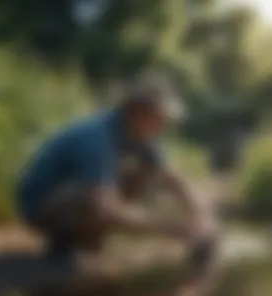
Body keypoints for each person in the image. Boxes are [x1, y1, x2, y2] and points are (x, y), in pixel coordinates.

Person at [16, 72, 214, 259]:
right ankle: (65, 241)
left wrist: (200, 214)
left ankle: (87, 239)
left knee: (141, 175)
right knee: (96, 199)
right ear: (137, 111)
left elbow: (173, 178)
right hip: (39, 204)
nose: (164, 125)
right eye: (160, 118)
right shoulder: (97, 137)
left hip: (70, 195)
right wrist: (168, 229)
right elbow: (105, 207)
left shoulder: (139, 136)